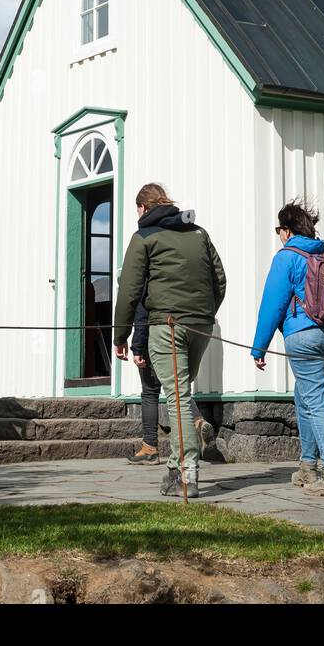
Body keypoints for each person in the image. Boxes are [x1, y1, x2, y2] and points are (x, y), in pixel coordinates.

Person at [114, 183, 226, 498]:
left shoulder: (144, 237)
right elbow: (220, 279)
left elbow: (129, 290)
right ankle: (176, 468)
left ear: (143, 208)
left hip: (167, 325)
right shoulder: (198, 233)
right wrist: (204, 313)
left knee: (176, 398)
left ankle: (188, 474)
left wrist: (120, 335)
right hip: (200, 325)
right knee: (181, 392)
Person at [251, 199, 324, 499]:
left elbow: (272, 304)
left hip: (304, 337)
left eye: (279, 229)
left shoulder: (287, 257)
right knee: (304, 395)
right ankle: (307, 467)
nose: (278, 235)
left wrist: (258, 347)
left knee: (315, 400)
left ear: (287, 231)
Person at [127, 293, 211, 464]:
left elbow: (142, 312)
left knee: (150, 392)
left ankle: (150, 448)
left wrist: (137, 347)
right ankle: (198, 422)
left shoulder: (151, 277)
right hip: (181, 331)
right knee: (178, 387)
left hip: (155, 336)